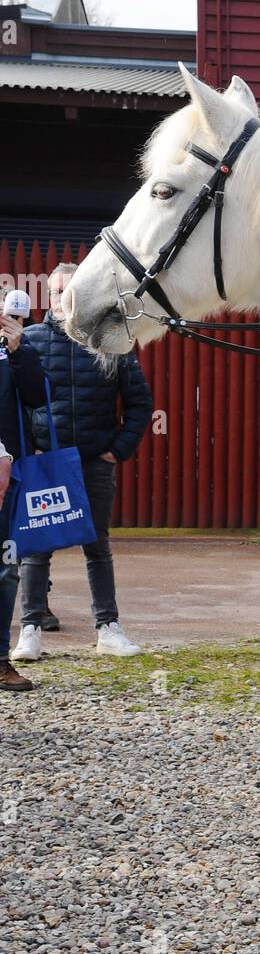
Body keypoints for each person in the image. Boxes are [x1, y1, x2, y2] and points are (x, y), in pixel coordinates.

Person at [12, 263, 152, 661]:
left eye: (68, 291)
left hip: (94, 463)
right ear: (49, 297)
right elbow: (16, 404)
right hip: (47, 464)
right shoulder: (31, 342)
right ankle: (31, 630)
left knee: (97, 546)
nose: (61, 299)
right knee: (37, 549)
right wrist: (29, 451)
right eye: (56, 292)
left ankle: (108, 628)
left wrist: (115, 450)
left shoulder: (109, 343)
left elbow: (141, 404)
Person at [0, 291, 49, 689]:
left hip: (8, 475)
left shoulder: (19, 349)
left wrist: (19, 350)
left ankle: (0, 660)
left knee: (5, 570)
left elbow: (37, 397)